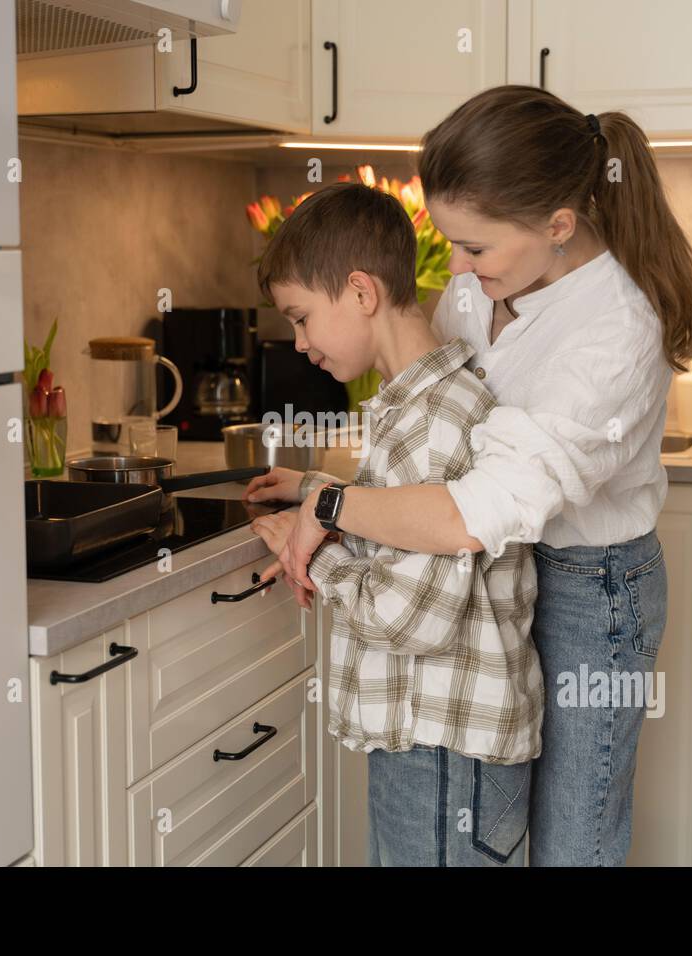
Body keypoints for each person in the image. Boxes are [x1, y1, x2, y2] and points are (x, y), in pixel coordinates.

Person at [249, 86, 692, 866]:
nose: (456, 271)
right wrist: (317, 491)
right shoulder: (488, 277)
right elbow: (441, 414)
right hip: (504, 577)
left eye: (474, 249)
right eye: (452, 243)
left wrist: (331, 505)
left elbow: (472, 511)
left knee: (573, 842)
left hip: (590, 592)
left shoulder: (614, 331)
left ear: (558, 226)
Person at [247, 180, 542, 867]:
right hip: (444, 749)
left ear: (360, 292)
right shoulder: (425, 405)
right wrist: (319, 491)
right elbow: (399, 517)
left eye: (300, 317)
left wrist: (312, 555)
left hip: (441, 757)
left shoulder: (431, 422)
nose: (297, 344)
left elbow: (411, 619)